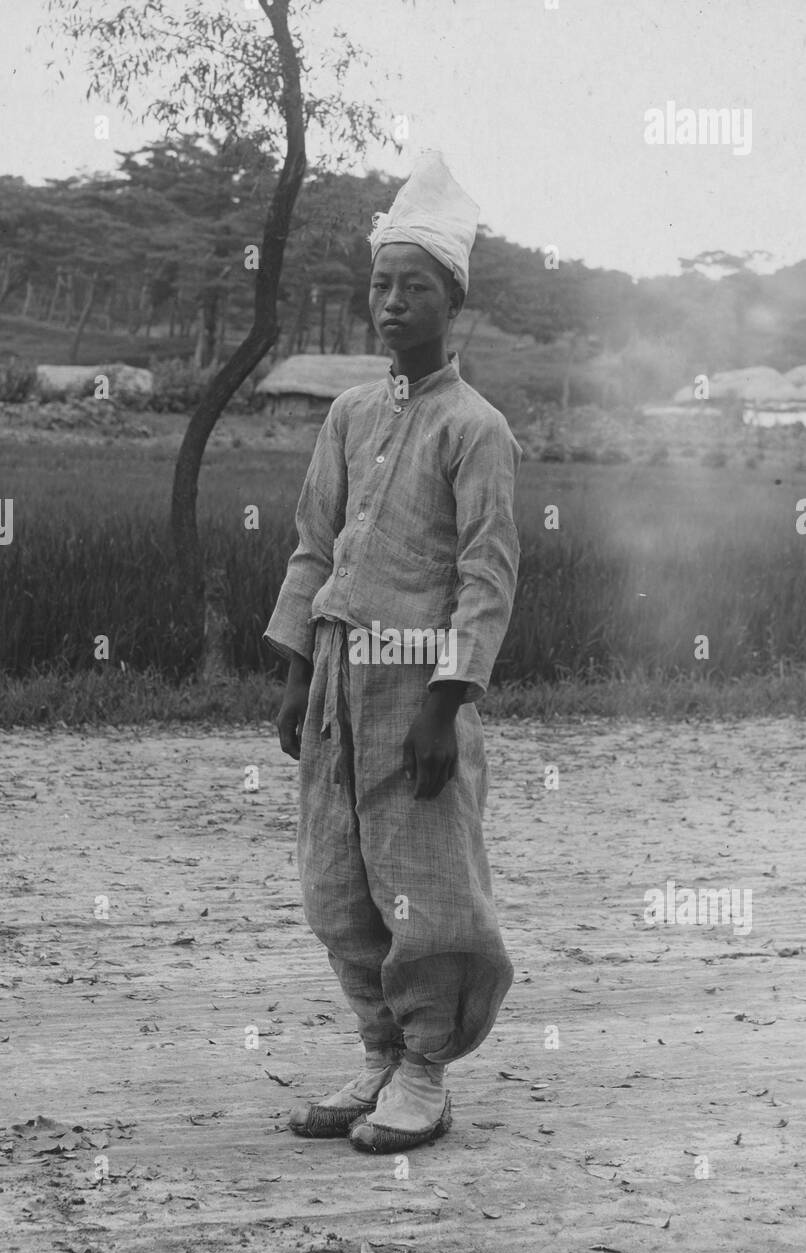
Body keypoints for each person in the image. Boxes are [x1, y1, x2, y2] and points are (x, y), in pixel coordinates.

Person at [264, 151, 522, 1153]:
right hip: (335, 680)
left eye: (415, 285)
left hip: (418, 687)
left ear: (450, 300)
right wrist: (294, 673)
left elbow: (485, 577)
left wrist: (442, 700)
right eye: (380, 283)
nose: (392, 302)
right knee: (338, 880)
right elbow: (311, 546)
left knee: (428, 884)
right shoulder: (348, 414)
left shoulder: (476, 428)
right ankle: (376, 1050)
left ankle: (422, 1070)